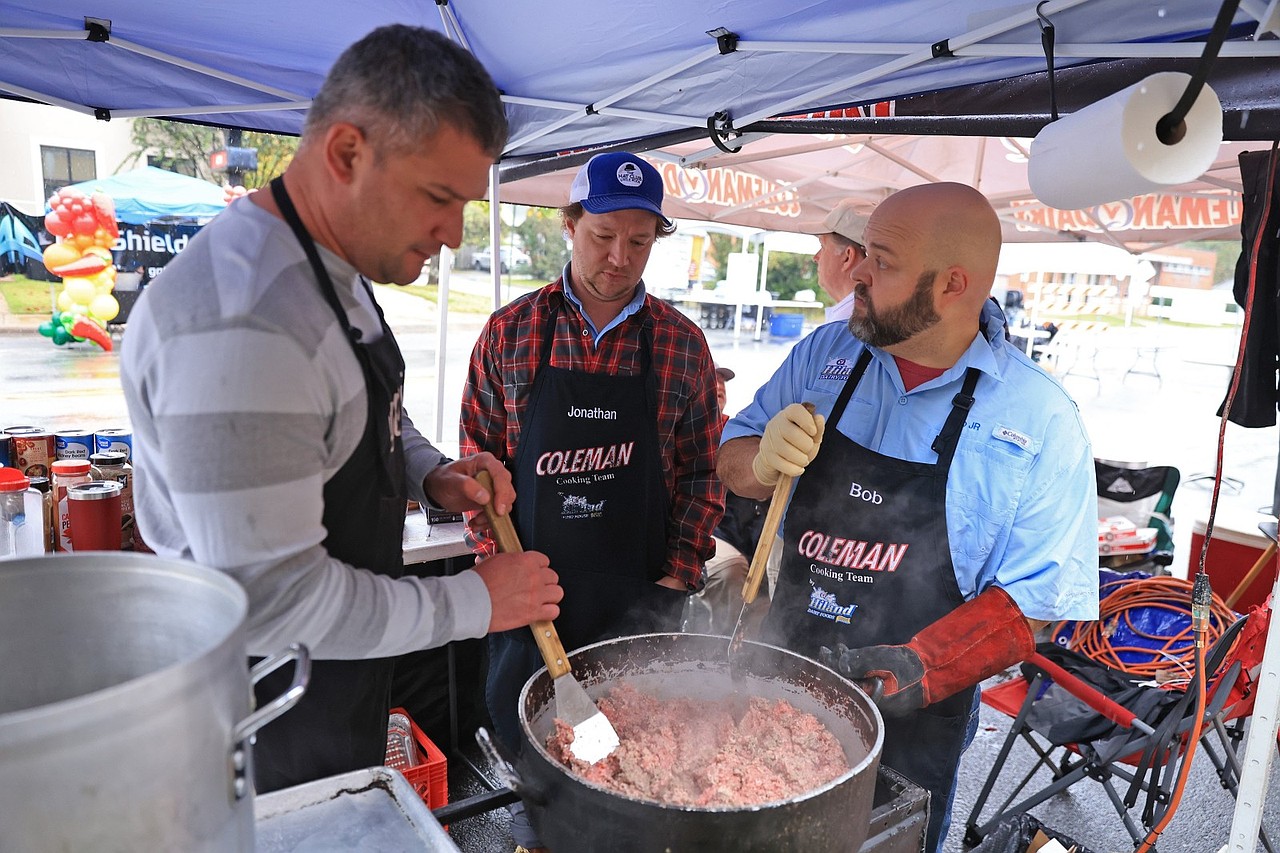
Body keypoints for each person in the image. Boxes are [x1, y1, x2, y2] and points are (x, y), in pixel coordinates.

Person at [119, 25, 563, 794]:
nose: (454, 233)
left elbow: (368, 410)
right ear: (347, 153)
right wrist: (471, 600)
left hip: (338, 673)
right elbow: (274, 600)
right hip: (258, 716)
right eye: (439, 197)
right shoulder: (246, 323)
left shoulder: (332, 264)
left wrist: (435, 474)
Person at [717, 182, 1099, 853]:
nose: (856, 272)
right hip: (777, 671)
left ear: (953, 284)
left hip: (913, 718)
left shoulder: (1041, 420)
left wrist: (917, 664)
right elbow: (733, 462)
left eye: (882, 261)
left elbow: (1034, 603)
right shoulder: (822, 356)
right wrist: (762, 459)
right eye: (862, 252)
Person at [460, 151, 724, 853]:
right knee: (539, 789)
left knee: (641, 783)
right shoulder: (510, 334)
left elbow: (703, 475)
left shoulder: (681, 347)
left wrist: (677, 575)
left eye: (639, 241)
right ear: (569, 224)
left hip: (638, 607)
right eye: (603, 235)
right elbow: (475, 473)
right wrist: (499, 570)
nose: (619, 257)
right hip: (529, 608)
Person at [695, 363, 773, 634]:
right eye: (711, 379)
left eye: (722, 382)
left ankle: (760, 652)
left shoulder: (742, 432)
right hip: (711, 535)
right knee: (732, 570)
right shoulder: (685, 431)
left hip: (753, 536)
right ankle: (721, 649)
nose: (718, 385)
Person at [800, 198, 870, 322]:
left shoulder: (851, 326)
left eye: (823, 246)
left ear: (847, 257)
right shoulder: (870, 318)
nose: (815, 257)